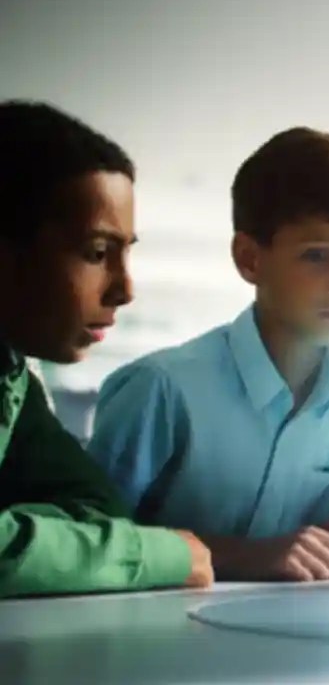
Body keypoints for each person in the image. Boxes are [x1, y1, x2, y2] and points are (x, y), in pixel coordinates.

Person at [87, 128, 329, 582]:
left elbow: (309, 561)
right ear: (249, 259)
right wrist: (247, 554)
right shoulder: (159, 389)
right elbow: (88, 543)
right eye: (316, 256)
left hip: (278, 646)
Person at [0, 100, 212, 597]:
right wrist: (158, 554)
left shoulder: (12, 376)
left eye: (125, 253)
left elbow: (101, 509)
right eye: (96, 253)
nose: (124, 289)